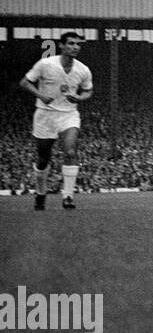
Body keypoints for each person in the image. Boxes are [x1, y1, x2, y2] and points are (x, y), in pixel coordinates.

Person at [19, 31, 93, 210]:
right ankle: (40, 192)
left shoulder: (83, 69)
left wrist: (80, 98)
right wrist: (40, 95)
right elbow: (25, 82)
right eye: (71, 43)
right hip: (45, 114)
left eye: (78, 44)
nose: (75, 47)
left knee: (70, 152)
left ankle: (68, 196)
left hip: (68, 115)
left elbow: (88, 91)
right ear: (61, 45)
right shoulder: (46, 64)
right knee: (43, 158)